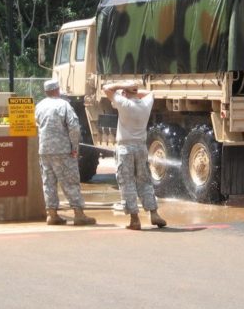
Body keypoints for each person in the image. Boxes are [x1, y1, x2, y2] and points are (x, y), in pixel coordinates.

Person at [103, 80, 167, 231]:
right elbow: (151, 93)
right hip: (141, 148)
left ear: (125, 93)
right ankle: (154, 213)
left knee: (127, 183)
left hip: (125, 148)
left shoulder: (124, 104)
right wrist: (133, 90)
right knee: (144, 181)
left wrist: (122, 86)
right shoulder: (145, 104)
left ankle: (134, 219)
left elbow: (106, 88)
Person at [35, 78, 96, 226]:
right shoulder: (64, 105)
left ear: (45, 91)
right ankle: (79, 214)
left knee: (48, 183)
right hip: (63, 150)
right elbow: (74, 127)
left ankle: (52, 214)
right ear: (57, 90)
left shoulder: (40, 106)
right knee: (70, 181)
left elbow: (37, 124)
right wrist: (74, 147)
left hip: (44, 150)